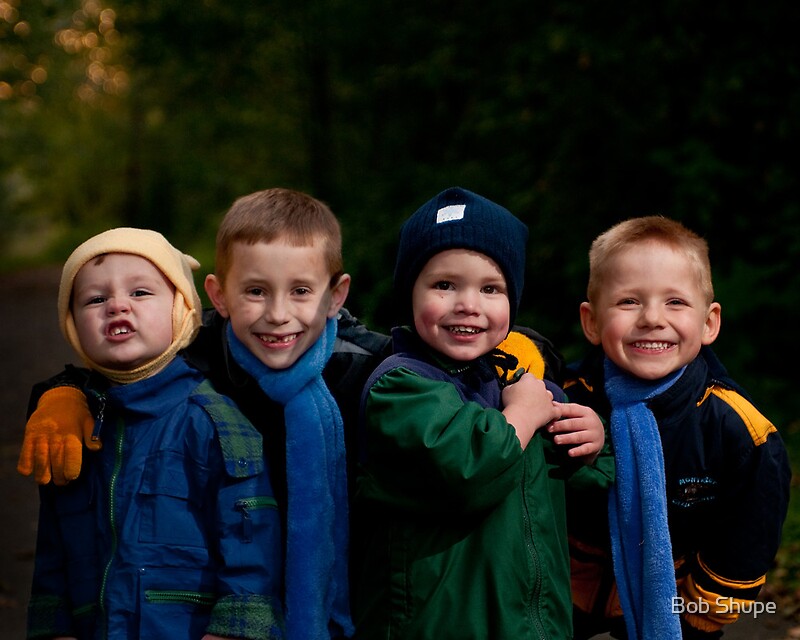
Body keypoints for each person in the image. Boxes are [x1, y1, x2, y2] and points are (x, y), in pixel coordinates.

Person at [17, 188, 569, 636]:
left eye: (301, 291)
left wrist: (524, 352)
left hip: (350, 598)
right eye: (255, 291)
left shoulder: (364, 364)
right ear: (219, 296)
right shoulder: (202, 357)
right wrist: (64, 394)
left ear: (335, 296)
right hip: (227, 598)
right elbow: (131, 375)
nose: (278, 316)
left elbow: (451, 366)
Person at [353, 186, 612, 639]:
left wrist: (593, 442)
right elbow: (469, 469)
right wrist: (526, 415)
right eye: (444, 285)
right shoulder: (401, 388)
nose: (468, 304)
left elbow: (593, 481)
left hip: (533, 626)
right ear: (409, 294)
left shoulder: (521, 387)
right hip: (437, 626)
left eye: (490, 288)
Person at [26, 228, 284, 640]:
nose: (117, 306)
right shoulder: (71, 427)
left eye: (141, 293)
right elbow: (53, 552)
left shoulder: (212, 420)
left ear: (181, 310)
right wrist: (54, 628)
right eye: (95, 299)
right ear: (73, 325)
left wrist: (234, 630)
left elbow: (252, 539)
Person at [564, 215, 791, 639]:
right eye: (629, 301)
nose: (652, 317)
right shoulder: (564, 397)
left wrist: (697, 613)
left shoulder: (739, 429)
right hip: (568, 589)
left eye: (676, 302)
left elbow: (746, 539)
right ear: (591, 321)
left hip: (682, 597)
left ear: (709, 322)